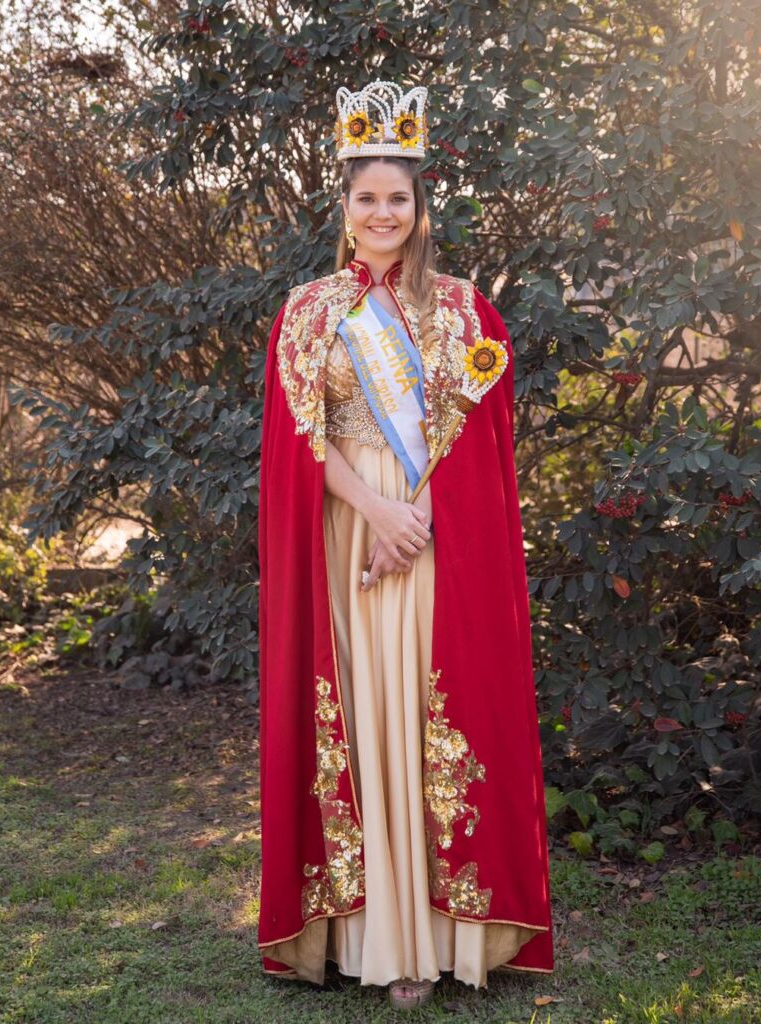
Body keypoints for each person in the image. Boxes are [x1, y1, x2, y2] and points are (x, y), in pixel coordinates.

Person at [257, 79, 554, 1010]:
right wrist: (380, 516)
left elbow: (481, 450)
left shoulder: (466, 312)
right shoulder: (308, 312)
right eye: (366, 197)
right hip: (349, 530)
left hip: (438, 537)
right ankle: (374, 937)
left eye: (398, 197)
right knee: (364, 712)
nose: (383, 213)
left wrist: (414, 518)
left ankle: (431, 938)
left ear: (420, 205)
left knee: (427, 711)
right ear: (344, 206)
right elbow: (297, 443)